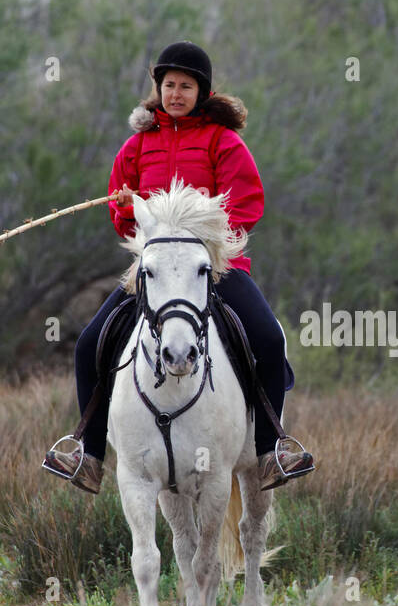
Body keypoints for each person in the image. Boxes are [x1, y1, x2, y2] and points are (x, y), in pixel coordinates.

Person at [44, 41, 314, 493]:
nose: (175, 93)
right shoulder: (136, 146)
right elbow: (121, 214)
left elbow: (246, 204)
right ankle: (89, 455)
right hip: (151, 272)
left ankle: (272, 451)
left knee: (270, 338)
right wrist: (128, 207)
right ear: (158, 89)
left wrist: (205, 238)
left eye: (186, 86)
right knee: (88, 343)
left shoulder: (224, 142)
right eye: (169, 85)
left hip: (215, 268)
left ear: (202, 92)